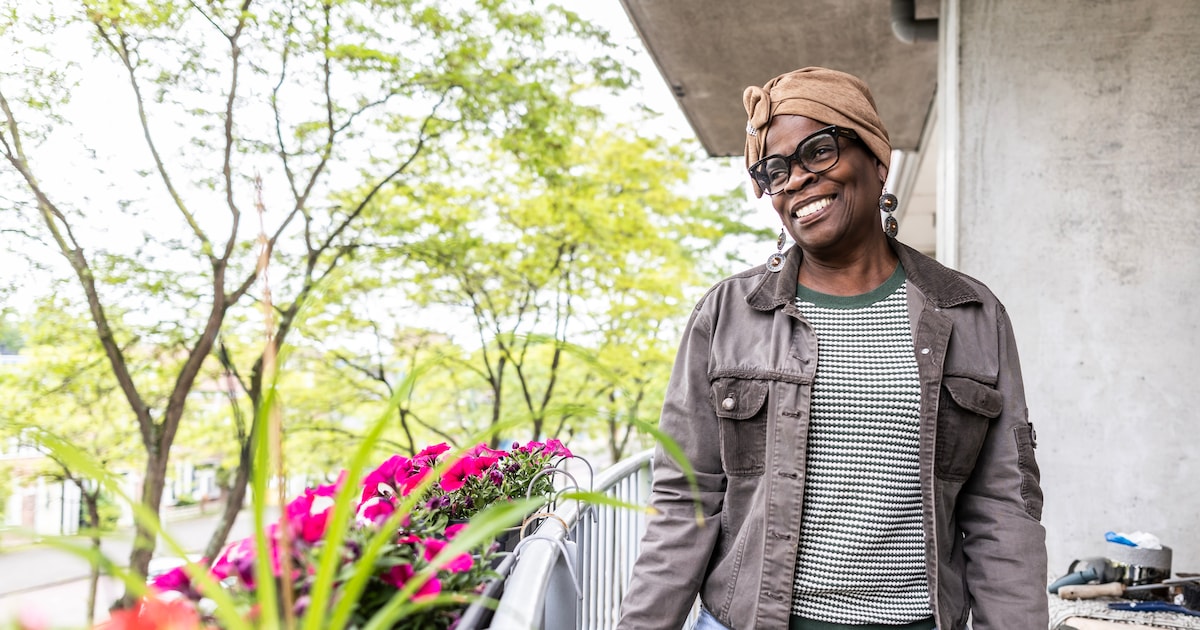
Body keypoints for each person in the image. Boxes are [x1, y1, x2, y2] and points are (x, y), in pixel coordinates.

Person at [617, 67, 1047, 630]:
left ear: (875, 156)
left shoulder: (970, 313)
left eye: (818, 152)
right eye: (774, 170)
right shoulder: (727, 316)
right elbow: (685, 502)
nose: (795, 180)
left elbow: (1003, 507)